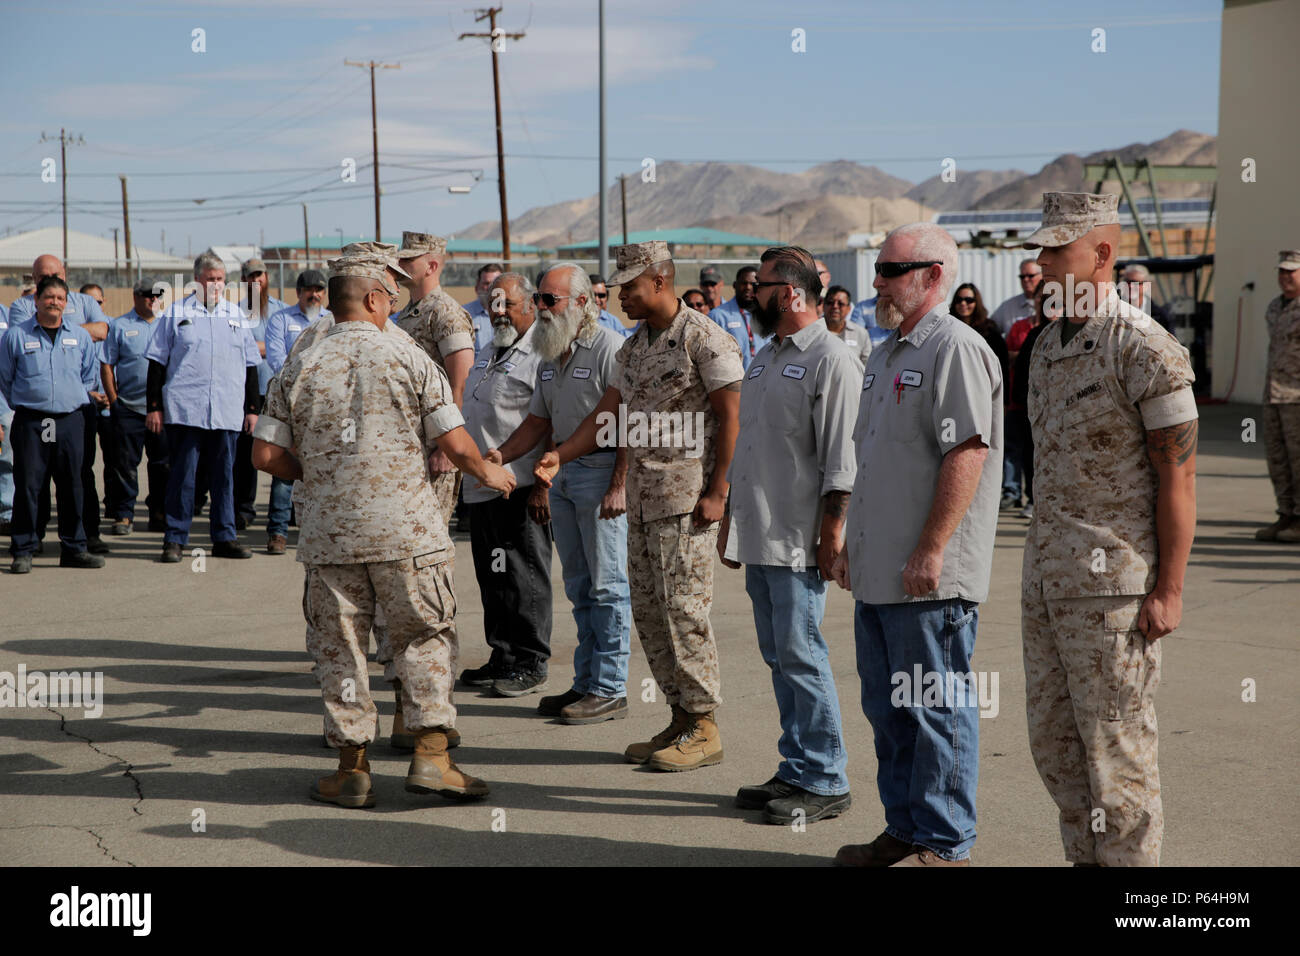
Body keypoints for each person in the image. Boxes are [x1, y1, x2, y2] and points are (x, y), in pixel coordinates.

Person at [252, 249, 514, 808]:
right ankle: (432, 759)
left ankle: (352, 770)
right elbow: (454, 442)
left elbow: (265, 454)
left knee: (340, 650)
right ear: (373, 299)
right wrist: (488, 470)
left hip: (330, 540)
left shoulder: (300, 361)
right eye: (389, 298)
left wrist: (319, 477)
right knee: (423, 639)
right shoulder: (409, 356)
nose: (393, 305)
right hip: (408, 536)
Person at [1021, 191, 1198, 867]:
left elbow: (1178, 479)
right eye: (1040, 249)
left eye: (1055, 249)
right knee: (1058, 748)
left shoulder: (1146, 348)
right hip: (1048, 578)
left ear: (1101, 253)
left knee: (1117, 758)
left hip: (1116, 591)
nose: (1042, 261)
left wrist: (1170, 589)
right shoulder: (1044, 347)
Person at [535, 241, 743, 771]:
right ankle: (679, 715)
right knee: (650, 614)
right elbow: (609, 416)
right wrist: (561, 454)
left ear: (660, 280)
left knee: (685, 612)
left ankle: (704, 726)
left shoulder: (705, 339)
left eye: (629, 286)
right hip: (643, 505)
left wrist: (720, 491)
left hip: (686, 503)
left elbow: (734, 419)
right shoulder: (632, 349)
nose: (620, 295)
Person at [831, 223, 1002, 867]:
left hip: (928, 575)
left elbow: (967, 451)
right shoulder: (883, 354)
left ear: (933, 275)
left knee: (935, 709)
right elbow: (870, 459)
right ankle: (905, 829)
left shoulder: (955, 348)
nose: (876, 280)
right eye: (878, 268)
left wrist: (931, 547)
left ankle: (944, 842)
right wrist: (849, 541)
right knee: (887, 708)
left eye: (890, 269)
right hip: (879, 568)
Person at [719, 245, 859, 825]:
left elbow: (842, 461)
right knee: (780, 657)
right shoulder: (766, 356)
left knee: (802, 655)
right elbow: (750, 446)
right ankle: (797, 765)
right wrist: (730, 515)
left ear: (794, 292)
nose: (752, 291)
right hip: (760, 534)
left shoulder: (832, 359)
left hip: (800, 539)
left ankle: (827, 777)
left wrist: (832, 534)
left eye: (764, 282)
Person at [487, 263, 631, 724]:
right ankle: (587, 682)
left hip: (600, 472)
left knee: (609, 587)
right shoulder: (551, 353)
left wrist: (619, 485)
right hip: (565, 475)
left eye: (552, 300)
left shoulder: (610, 348)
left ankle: (610, 688)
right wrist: (499, 456)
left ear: (583, 303)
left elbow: (624, 422)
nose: (542, 308)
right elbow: (538, 422)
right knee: (580, 587)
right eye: (541, 300)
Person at [459, 272, 553, 695]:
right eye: (494, 304)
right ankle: (503, 655)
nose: (499, 312)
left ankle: (531, 660)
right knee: (493, 572)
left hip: (519, 485)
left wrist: (543, 486)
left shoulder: (542, 352)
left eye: (508, 305)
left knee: (523, 574)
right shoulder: (490, 348)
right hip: (483, 484)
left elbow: (548, 423)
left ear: (531, 305)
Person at [145, 250, 260, 563]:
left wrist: (252, 408)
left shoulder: (237, 316)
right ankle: (175, 539)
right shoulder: (175, 314)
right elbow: (156, 362)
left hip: (226, 410)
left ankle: (224, 537)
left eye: (221, 279)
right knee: (183, 476)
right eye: (210, 279)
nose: (216, 285)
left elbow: (251, 365)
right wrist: (153, 406)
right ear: (197, 281)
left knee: (225, 477)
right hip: (186, 409)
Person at [0, 276, 106, 572]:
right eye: (49, 297)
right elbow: (5, 378)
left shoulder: (80, 336)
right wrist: (29, 401)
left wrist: (68, 399)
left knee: (73, 485)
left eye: (60, 298)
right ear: (36, 300)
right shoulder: (16, 336)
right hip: (32, 421)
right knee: (29, 486)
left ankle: (74, 548)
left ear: (66, 302)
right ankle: (23, 548)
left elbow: (88, 375)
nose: (55, 302)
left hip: (71, 421)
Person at [393, 232, 477, 531]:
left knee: (430, 539)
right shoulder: (407, 313)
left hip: (435, 447)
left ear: (431, 266)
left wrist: (448, 447)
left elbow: (462, 382)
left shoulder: (446, 312)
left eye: (408, 259)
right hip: (410, 445)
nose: (399, 263)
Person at [263, 270, 330, 554]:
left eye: (319, 290)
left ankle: (317, 529)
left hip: (325, 406)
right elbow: (279, 360)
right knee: (284, 470)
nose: (314, 295)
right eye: (309, 290)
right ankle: (278, 532)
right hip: (291, 405)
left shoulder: (333, 320)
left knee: (323, 467)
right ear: (298, 292)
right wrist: (306, 384)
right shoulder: (281, 320)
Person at [102, 278, 170, 535]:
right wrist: (114, 400)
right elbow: (107, 364)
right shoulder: (120, 326)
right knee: (124, 465)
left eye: (157, 295)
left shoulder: (168, 325)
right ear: (135, 297)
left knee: (162, 464)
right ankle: (123, 514)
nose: (153, 300)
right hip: (128, 408)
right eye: (147, 295)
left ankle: (159, 513)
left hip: (161, 410)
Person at [231, 257, 287, 531]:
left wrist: (254, 347)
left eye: (260, 275)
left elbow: (290, 347)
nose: (256, 281)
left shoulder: (283, 311)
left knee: (282, 451)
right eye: (250, 276)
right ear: (244, 281)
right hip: (247, 393)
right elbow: (236, 349)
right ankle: (243, 509)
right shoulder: (234, 312)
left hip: (278, 392)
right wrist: (268, 347)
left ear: (267, 278)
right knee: (245, 455)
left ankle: (285, 512)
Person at [952, 284, 1015, 510]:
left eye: (969, 300)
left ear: (976, 303)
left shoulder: (989, 330)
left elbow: (1002, 369)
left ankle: (984, 495)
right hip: (954, 399)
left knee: (983, 448)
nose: (963, 304)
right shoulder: (947, 327)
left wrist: (1004, 401)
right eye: (959, 299)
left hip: (984, 399)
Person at [1258, 250, 1300, 542]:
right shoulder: (1275, 306)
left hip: (1298, 395)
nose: (1286, 277)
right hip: (1274, 394)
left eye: (1292, 271)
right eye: (1282, 271)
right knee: (1278, 458)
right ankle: (1285, 514)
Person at [1008, 289, 1060, 521]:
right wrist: (1023, 402)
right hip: (1035, 412)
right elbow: (1021, 372)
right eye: (1049, 305)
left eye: (1058, 305)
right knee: (1033, 457)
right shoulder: (1036, 335)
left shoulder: (1077, 336)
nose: (1054, 311)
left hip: (1065, 413)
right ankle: (1033, 499)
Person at [712, 265, 764, 369]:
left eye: (753, 284)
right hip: (733, 381)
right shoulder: (718, 315)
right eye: (744, 283)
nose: (748, 287)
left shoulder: (767, 314)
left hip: (763, 379)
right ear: (735, 285)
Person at [989, 258, 1043, 336]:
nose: (1026, 279)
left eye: (1031, 276)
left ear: (1042, 276)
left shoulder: (1053, 304)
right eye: (1022, 276)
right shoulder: (1008, 307)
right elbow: (989, 331)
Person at [824, 284, 871, 365]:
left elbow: (867, 365)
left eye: (840, 304)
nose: (835, 306)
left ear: (849, 309)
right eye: (830, 302)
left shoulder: (861, 333)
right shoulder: (814, 332)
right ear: (823, 306)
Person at [1119, 264, 1174, 333]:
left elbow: (1169, 342)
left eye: (1136, 283)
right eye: (1127, 282)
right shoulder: (1112, 312)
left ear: (1147, 286)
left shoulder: (1161, 316)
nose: (1130, 286)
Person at [464, 262, 503, 353]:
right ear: (477, 286)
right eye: (486, 283)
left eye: (495, 283)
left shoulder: (512, 314)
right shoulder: (464, 314)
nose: (490, 288)